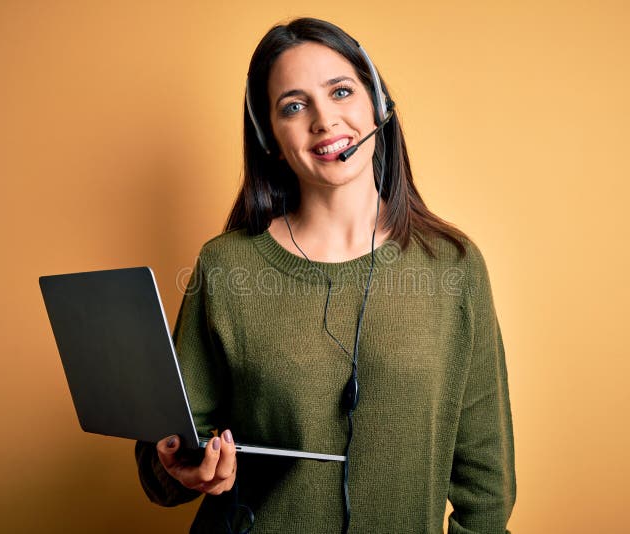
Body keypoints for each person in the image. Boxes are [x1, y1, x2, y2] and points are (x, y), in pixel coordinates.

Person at [135, 17, 516, 534]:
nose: (324, 120)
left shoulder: (453, 265)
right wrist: (185, 469)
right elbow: (161, 466)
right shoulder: (225, 268)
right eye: (294, 106)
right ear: (270, 137)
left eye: (341, 91)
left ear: (378, 105)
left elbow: (487, 485)